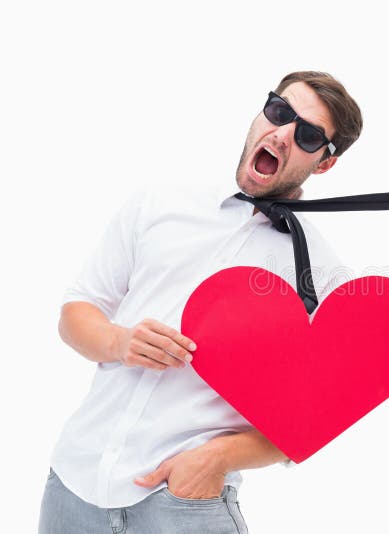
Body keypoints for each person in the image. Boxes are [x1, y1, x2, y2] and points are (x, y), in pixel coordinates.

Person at [38, 71, 363, 534]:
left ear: (325, 163)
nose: (283, 133)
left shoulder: (320, 275)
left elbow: (329, 410)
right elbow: (76, 312)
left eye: (308, 135)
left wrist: (218, 458)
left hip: (184, 508)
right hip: (71, 486)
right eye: (278, 112)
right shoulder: (159, 203)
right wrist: (120, 340)